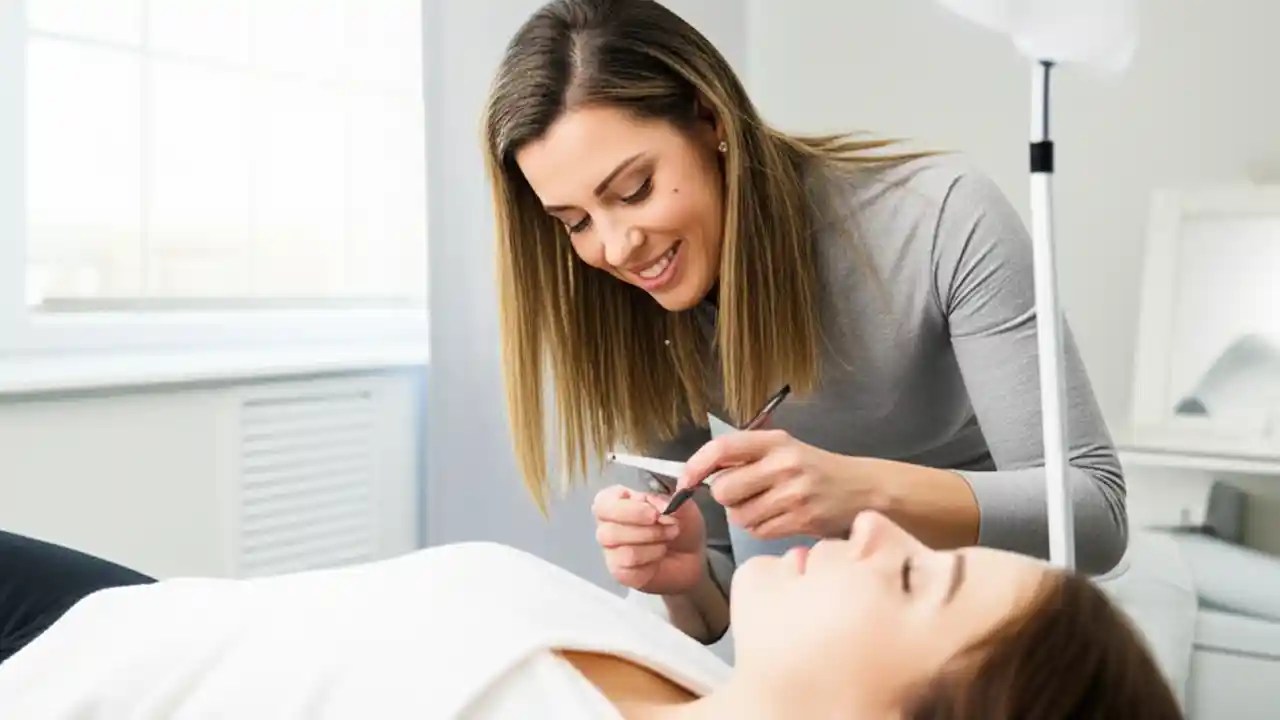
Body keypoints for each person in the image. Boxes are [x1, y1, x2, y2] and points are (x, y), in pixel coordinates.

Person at [483, 0, 1128, 646]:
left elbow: (1093, 517)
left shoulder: (939, 220)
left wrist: (858, 490)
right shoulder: (637, 311)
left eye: (634, 190)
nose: (617, 247)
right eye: (575, 222)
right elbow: (716, 602)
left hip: (990, 612)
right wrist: (681, 580)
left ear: (709, 118)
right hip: (833, 640)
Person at [0, 513, 1180, 719]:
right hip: (129, 614)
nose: (879, 529)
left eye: (922, 580)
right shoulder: (713, 682)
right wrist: (670, 585)